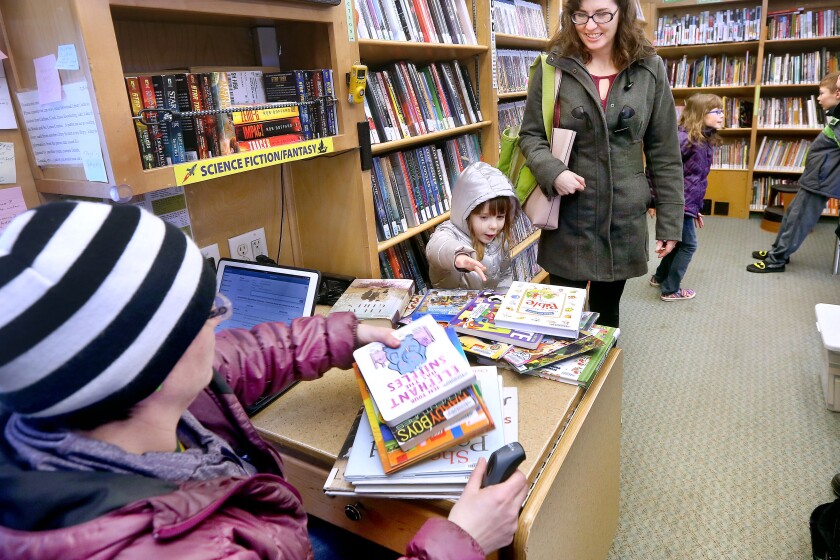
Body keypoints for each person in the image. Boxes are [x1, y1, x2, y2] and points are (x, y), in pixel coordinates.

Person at [0, 201, 528, 559]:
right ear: (151, 367)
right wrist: (462, 540)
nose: (223, 319)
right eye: (205, 311)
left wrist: (347, 335)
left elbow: (247, 354)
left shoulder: (66, 410)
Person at [517, 0, 685, 327]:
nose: (591, 25)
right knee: (561, 315)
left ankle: (605, 374)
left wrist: (670, 220)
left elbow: (665, 151)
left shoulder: (649, 68)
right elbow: (531, 136)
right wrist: (554, 171)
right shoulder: (554, 66)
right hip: (568, 215)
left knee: (608, 314)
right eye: (581, 15)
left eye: (602, 14)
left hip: (622, 217)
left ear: (622, 12)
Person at [747, 71, 840, 273]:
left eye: (822, 92)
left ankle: (776, 260)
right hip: (815, 178)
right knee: (792, 216)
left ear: (838, 94)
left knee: (799, 220)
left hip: (821, 182)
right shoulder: (835, 116)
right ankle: (778, 251)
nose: (819, 97)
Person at [649, 93, 724, 301]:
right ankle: (670, 290)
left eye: (722, 111)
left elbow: (696, 180)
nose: (721, 115)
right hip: (676, 202)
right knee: (689, 245)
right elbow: (657, 168)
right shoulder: (685, 140)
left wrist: (696, 208)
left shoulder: (704, 139)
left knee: (679, 241)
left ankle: (659, 276)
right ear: (699, 114)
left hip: (687, 202)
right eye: (716, 111)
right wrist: (654, 200)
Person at [427, 161, 518, 289]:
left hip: (487, 306)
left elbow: (504, 276)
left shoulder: (501, 238)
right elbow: (436, 246)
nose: (494, 226)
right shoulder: (450, 231)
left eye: (500, 217)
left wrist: (502, 301)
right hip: (454, 306)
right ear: (467, 213)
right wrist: (457, 255)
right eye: (484, 217)